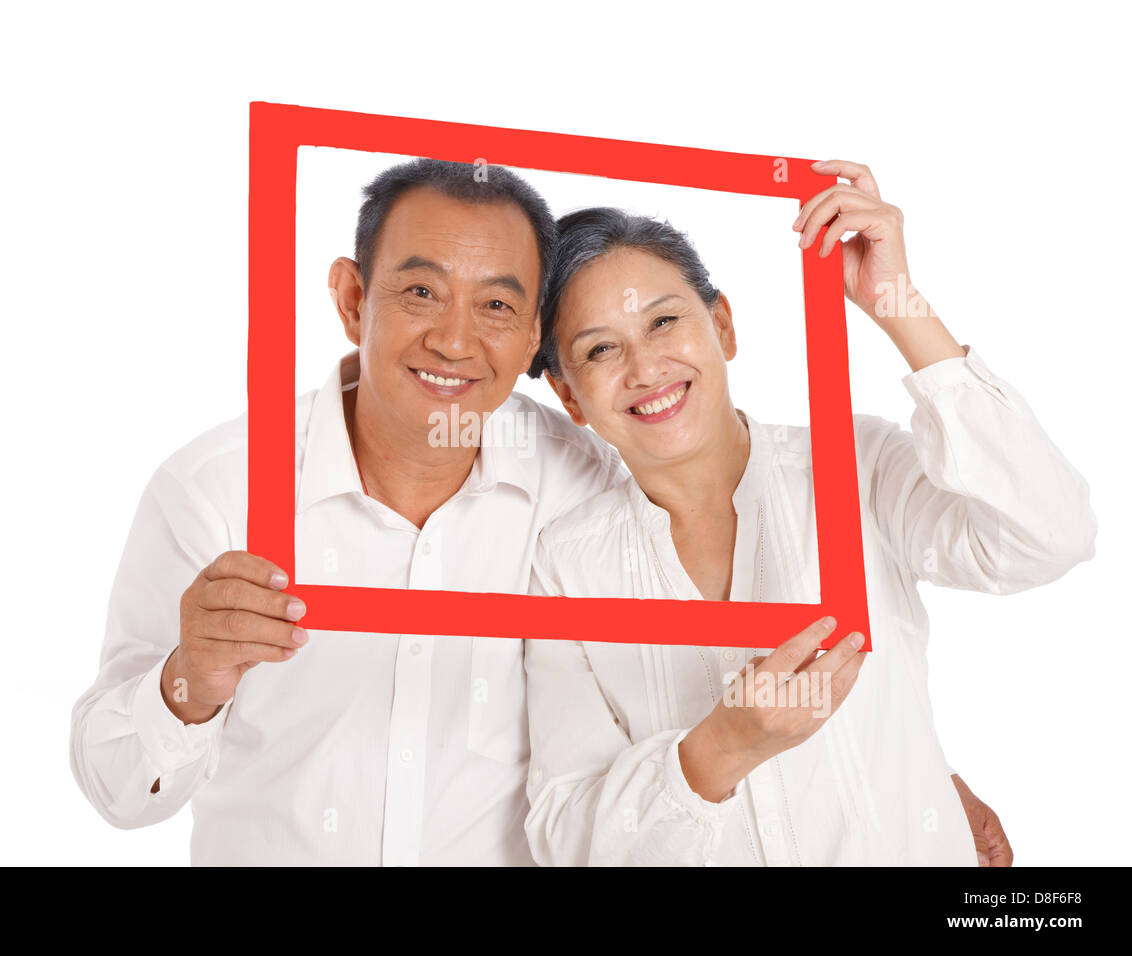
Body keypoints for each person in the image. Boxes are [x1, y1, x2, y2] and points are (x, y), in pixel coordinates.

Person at [522, 161, 1094, 866]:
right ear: (569, 397)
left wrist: (896, 301)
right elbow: (567, 836)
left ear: (723, 326)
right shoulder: (564, 565)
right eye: (600, 349)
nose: (645, 368)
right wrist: (720, 750)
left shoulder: (854, 464)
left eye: (664, 321)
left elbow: (1050, 535)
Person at [70, 159, 623, 865]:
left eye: (495, 306)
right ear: (353, 299)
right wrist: (188, 684)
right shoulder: (216, 488)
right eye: (421, 292)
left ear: (531, 336)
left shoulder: (585, 484)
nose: (454, 342)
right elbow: (115, 790)